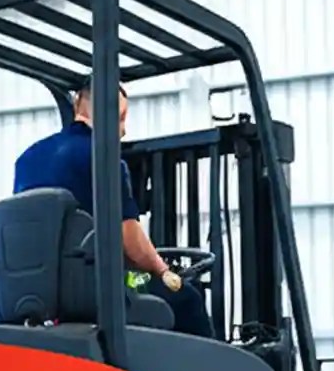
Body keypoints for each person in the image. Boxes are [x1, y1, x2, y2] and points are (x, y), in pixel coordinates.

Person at [11, 78, 214, 339]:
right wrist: (163, 271)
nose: (123, 130)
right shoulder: (103, 158)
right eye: (120, 118)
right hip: (106, 286)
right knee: (185, 295)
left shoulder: (27, 160)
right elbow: (130, 240)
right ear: (107, 113)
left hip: (39, 292)